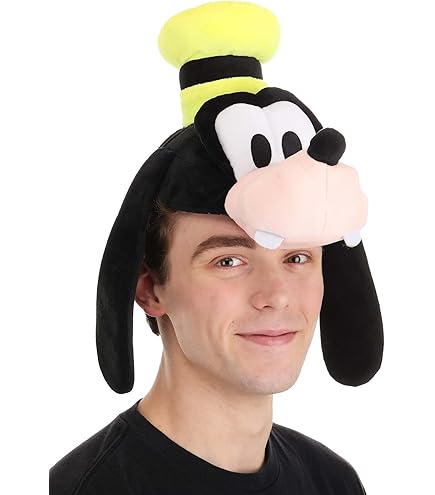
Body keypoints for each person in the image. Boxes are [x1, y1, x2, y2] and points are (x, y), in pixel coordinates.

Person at [49, 2, 384, 494]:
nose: (276, 295)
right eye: (229, 260)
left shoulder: (333, 481)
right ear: (149, 288)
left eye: (297, 257)